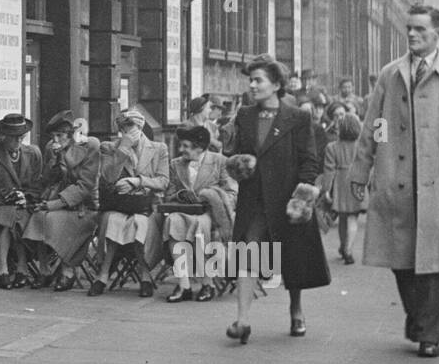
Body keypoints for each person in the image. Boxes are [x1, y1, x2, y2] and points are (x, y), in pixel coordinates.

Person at [349, 4, 439, 359]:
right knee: (400, 257)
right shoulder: (390, 73)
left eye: (420, 30)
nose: (412, 35)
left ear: (437, 33)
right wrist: (360, 170)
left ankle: (431, 335)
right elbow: (374, 125)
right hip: (397, 178)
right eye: (409, 29)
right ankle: (419, 316)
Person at [223, 55, 330, 343]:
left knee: (292, 256)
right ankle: (242, 321)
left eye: (258, 80)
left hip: (287, 198)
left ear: (276, 85)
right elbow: (234, 154)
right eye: (251, 79)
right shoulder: (244, 115)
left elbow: (309, 160)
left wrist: (302, 198)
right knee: (248, 251)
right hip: (254, 200)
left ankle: (296, 310)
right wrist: (240, 163)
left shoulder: (298, 117)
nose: (252, 85)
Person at [89, 108, 168, 296]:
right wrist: (123, 149)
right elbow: (107, 178)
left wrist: (137, 181)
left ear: (140, 127)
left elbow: (163, 181)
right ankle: (103, 274)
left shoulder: (159, 149)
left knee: (139, 223)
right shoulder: (109, 147)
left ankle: (145, 274)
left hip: (147, 206)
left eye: (130, 127)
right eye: (123, 128)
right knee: (113, 221)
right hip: (119, 204)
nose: (127, 131)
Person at [21, 111, 101, 290]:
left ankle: (68, 270)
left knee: (51, 218)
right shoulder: (52, 147)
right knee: (38, 217)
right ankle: (45, 269)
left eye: (60, 135)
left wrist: (54, 204)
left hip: (84, 205)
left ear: (72, 134)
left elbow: (84, 185)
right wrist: (56, 159)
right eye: (53, 135)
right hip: (58, 201)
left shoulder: (90, 145)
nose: (56, 139)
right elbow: (48, 179)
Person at [159, 124, 236, 303]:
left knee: (200, 225)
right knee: (172, 221)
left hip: (212, 214)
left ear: (199, 148)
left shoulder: (220, 161)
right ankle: (184, 284)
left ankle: (206, 283)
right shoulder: (175, 164)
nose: (180, 150)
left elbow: (233, 194)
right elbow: (168, 194)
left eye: (185, 146)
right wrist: (180, 195)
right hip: (184, 210)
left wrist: (210, 196)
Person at [0, 114, 43, 287]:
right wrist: (6, 195)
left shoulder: (33, 153)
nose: (19, 141)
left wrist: (24, 197)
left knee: (15, 214)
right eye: (14, 137)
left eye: (21, 137)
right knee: (9, 213)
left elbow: (37, 188)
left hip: (25, 207)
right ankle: (15, 267)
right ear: (4, 136)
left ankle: (6, 268)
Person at [319, 111, 365, 263]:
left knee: (343, 218)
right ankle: (348, 249)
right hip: (357, 181)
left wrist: (326, 190)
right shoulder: (361, 146)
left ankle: (342, 245)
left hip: (340, 183)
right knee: (353, 217)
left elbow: (328, 170)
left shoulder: (332, 147)